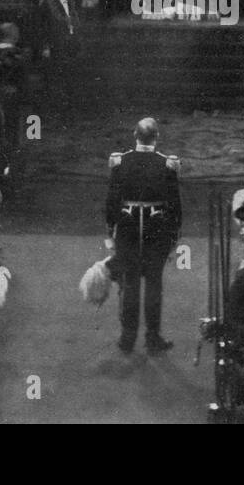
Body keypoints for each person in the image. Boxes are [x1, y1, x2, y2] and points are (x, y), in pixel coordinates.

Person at [105, 118, 182, 354]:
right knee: (153, 283)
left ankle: (127, 338)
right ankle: (152, 337)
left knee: (130, 283)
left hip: (127, 228)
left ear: (134, 135)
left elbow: (112, 200)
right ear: (156, 137)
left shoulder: (120, 161)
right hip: (156, 228)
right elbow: (174, 202)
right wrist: (174, 232)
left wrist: (111, 227)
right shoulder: (167, 164)